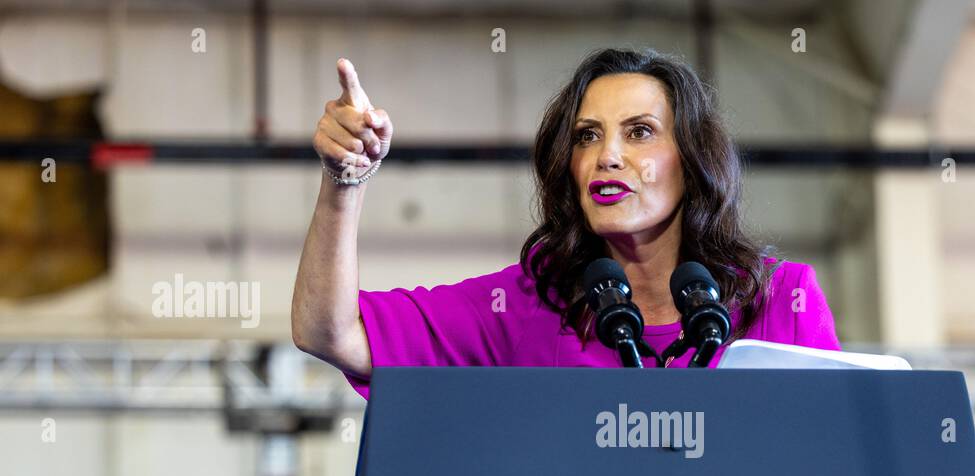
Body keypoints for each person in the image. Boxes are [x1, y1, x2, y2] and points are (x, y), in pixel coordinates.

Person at [291, 48, 841, 399]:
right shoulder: (525, 305)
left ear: (692, 158)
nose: (607, 156)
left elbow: (837, 468)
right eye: (587, 136)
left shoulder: (780, 299)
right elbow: (328, 331)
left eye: (641, 132)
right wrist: (345, 182)